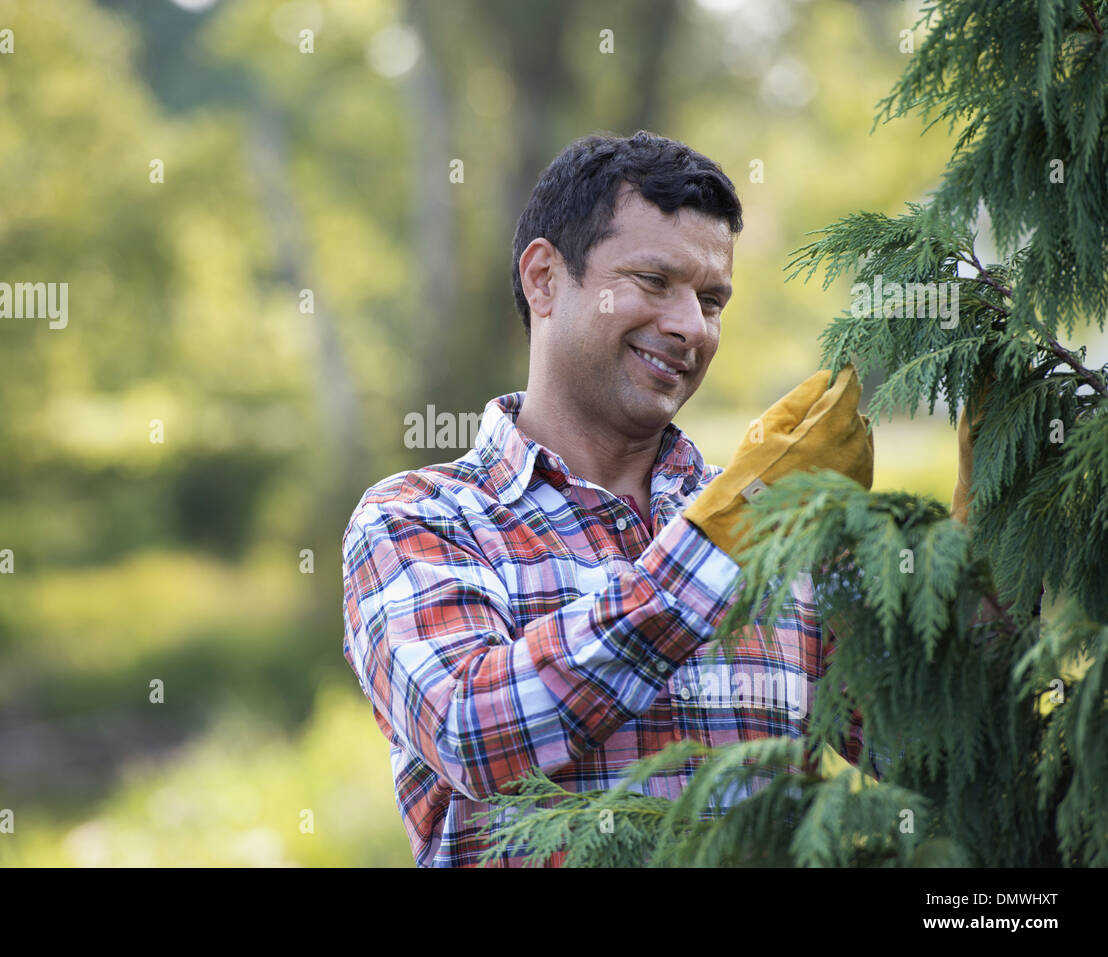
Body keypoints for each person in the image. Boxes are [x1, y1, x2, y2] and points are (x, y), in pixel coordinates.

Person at [341, 131, 874, 868]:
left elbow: (928, 744)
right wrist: (724, 540)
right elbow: (475, 729)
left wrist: (1002, 565)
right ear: (545, 279)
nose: (692, 325)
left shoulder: (771, 522)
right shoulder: (420, 517)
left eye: (712, 299)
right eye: (655, 281)